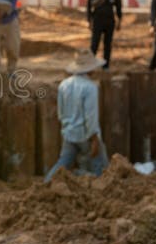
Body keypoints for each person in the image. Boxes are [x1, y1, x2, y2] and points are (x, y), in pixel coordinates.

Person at [44, 50, 109, 182]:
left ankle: (47, 183)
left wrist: (66, 126)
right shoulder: (90, 87)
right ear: (90, 69)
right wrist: (95, 138)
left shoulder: (64, 85)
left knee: (63, 163)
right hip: (86, 134)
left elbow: (60, 113)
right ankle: (103, 192)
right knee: (100, 167)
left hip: (69, 132)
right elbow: (90, 116)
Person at [86, 0, 122, 69]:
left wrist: (119, 20)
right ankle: (90, 66)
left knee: (107, 45)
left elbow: (118, 7)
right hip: (97, 21)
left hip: (110, 22)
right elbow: (89, 6)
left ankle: (106, 66)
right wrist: (89, 20)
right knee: (94, 44)